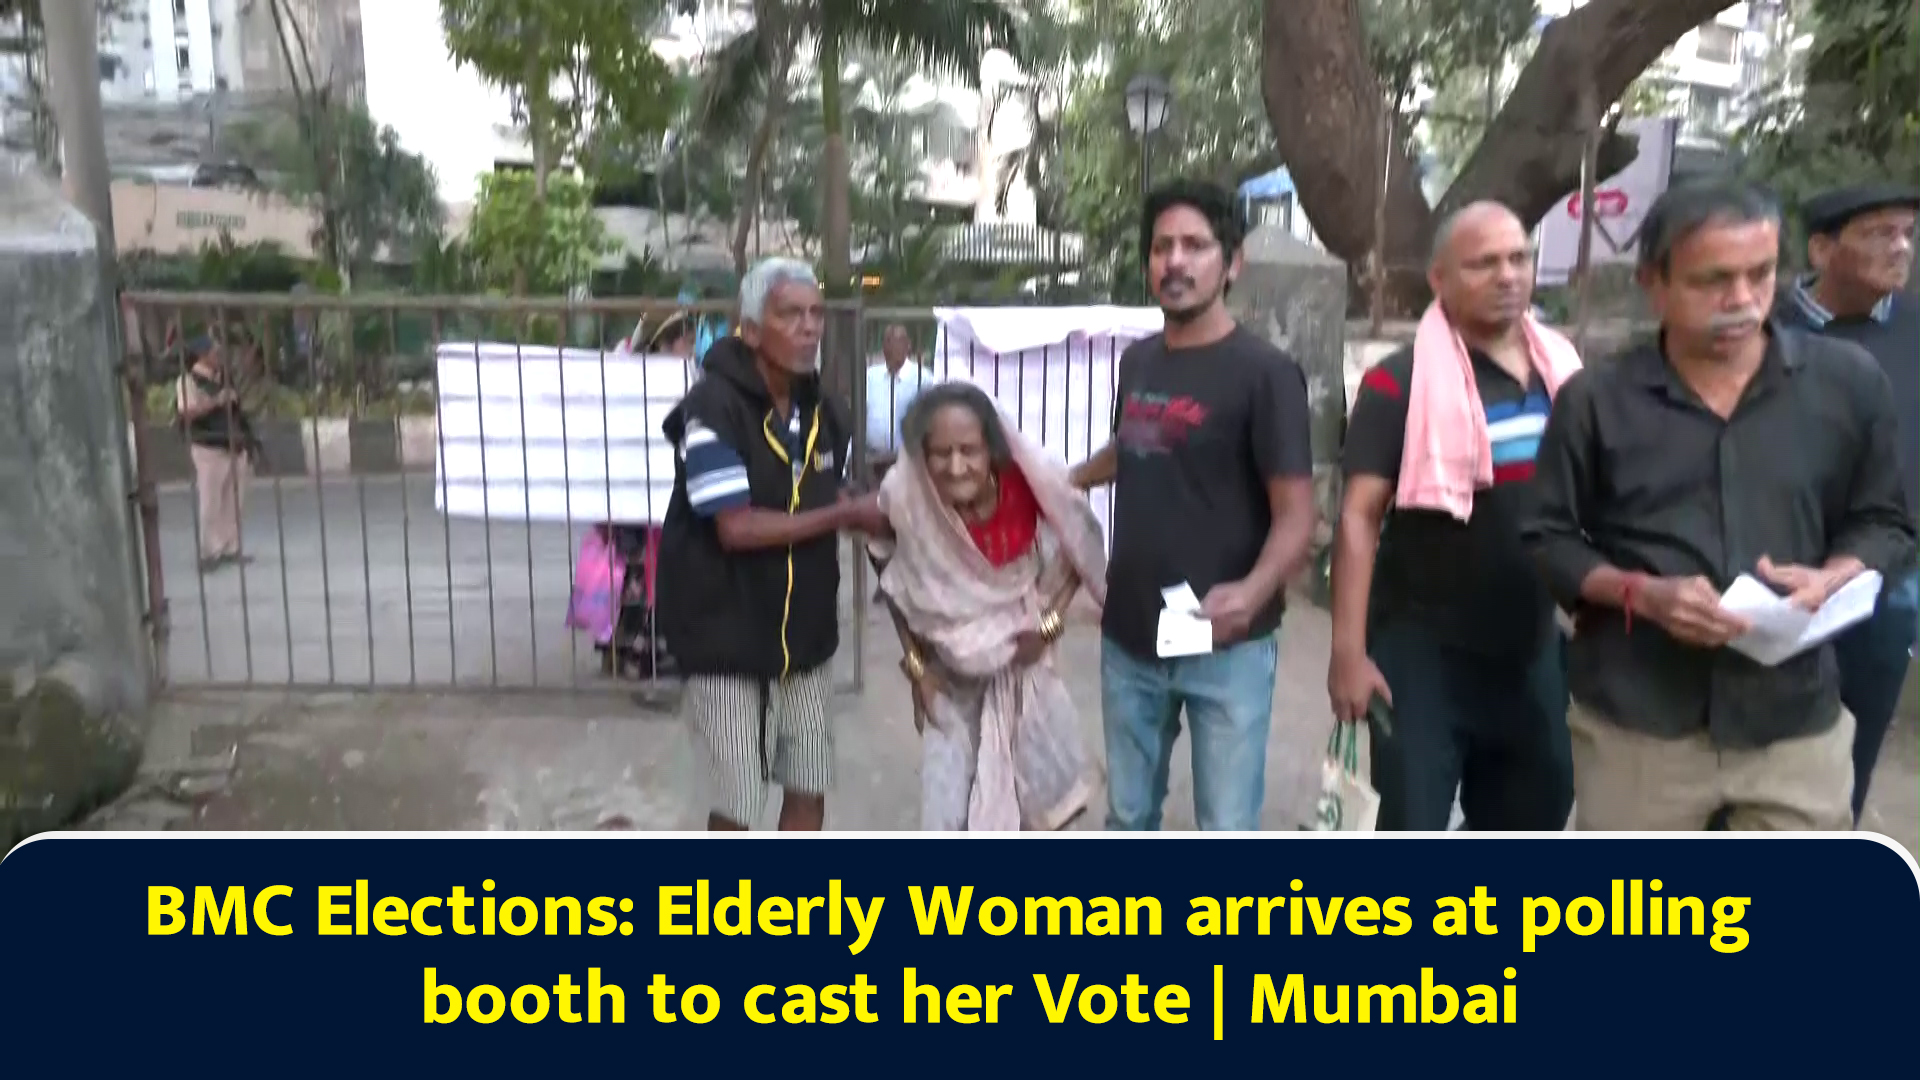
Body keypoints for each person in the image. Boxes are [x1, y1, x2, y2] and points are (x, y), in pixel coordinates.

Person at [1522, 181, 1916, 831]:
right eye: (1713, 280)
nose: (1741, 300)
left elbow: (1884, 521)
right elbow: (1548, 536)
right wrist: (1640, 594)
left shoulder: (1847, 385)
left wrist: (1835, 575)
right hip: (1640, 723)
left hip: (1793, 720)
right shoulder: (1597, 400)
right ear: (1656, 284)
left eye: (1760, 275)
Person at [1068, 178, 1317, 831]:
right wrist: (1065, 480)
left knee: (1225, 828)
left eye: (1195, 246)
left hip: (1225, 642)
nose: (1174, 261)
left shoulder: (1265, 374)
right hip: (1130, 635)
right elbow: (1135, 444)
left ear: (1231, 263)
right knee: (1128, 817)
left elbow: (1298, 516)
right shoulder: (1139, 362)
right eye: (1160, 248)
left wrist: (1254, 590)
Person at [1328, 201, 1579, 831]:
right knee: (1411, 823)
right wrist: (1348, 653)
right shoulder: (1399, 385)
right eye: (1484, 263)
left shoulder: (1566, 375)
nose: (1508, 275)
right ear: (1439, 279)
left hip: (1532, 645)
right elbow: (1357, 518)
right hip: (1422, 655)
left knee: (1537, 814)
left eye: (1519, 258)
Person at [655, 257, 888, 831]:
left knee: (809, 787)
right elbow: (735, 528)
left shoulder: (826, 411)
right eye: (791, 314)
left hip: (804, 641)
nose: (810, 327)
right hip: (725, 638)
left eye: (816, 315)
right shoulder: (711, 409)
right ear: (751, 330)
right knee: (736, 804)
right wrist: (842, 514)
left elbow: (843, 490)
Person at [868, 382, 1108, 830]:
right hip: (949, 677)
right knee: (951, 808)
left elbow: (1081, 541)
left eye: (969, 450)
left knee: (1043, 794)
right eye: (941, 453)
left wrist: (1049, 625)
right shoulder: (905, 496)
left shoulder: (1030, 479)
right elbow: (888, 569)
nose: (956, 466)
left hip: (1025, 664)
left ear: (991, 449)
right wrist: (918, 669)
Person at [1772, 183, 1920, 824]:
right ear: (1823, 249)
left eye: (1907, 232)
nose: (1902, 247)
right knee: (1759, 752)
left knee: (1851, 761)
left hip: (1887, 582)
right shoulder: (1764, 329)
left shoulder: (1915, 330)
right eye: (1881, 233)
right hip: (1776, 577)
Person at [175, 332, 258, 573]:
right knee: (210, 501)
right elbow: (186, 413)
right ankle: (209, 551)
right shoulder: (188, 381)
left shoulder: (223, 378)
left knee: (234, 500)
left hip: (232, 444)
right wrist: (216, 402)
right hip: (208, 446)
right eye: (215, 352)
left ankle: (230, 547)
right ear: (203, 355)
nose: (220, 356)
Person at [865, 323, 931, 485]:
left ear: (908, 345)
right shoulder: (871, 375)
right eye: (888, 341)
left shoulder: (923, 378)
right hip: (873, 460)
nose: (892, 346)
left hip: (907, 460)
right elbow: (862, 413)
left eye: (898, 341)